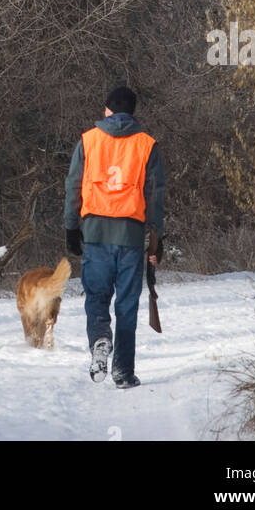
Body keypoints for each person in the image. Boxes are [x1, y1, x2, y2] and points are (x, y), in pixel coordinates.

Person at [64, 84, 165, 387]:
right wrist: (157, 237)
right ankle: (123, 371)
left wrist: (71, 227)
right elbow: (155, 195)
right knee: (127, 304)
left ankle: (99, 339)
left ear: (108, 110)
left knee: (97, 295)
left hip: (95, 233)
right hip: (131, 236)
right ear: (132, 112)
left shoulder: (88, 140)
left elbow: (73, 186)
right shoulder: (148, 144)